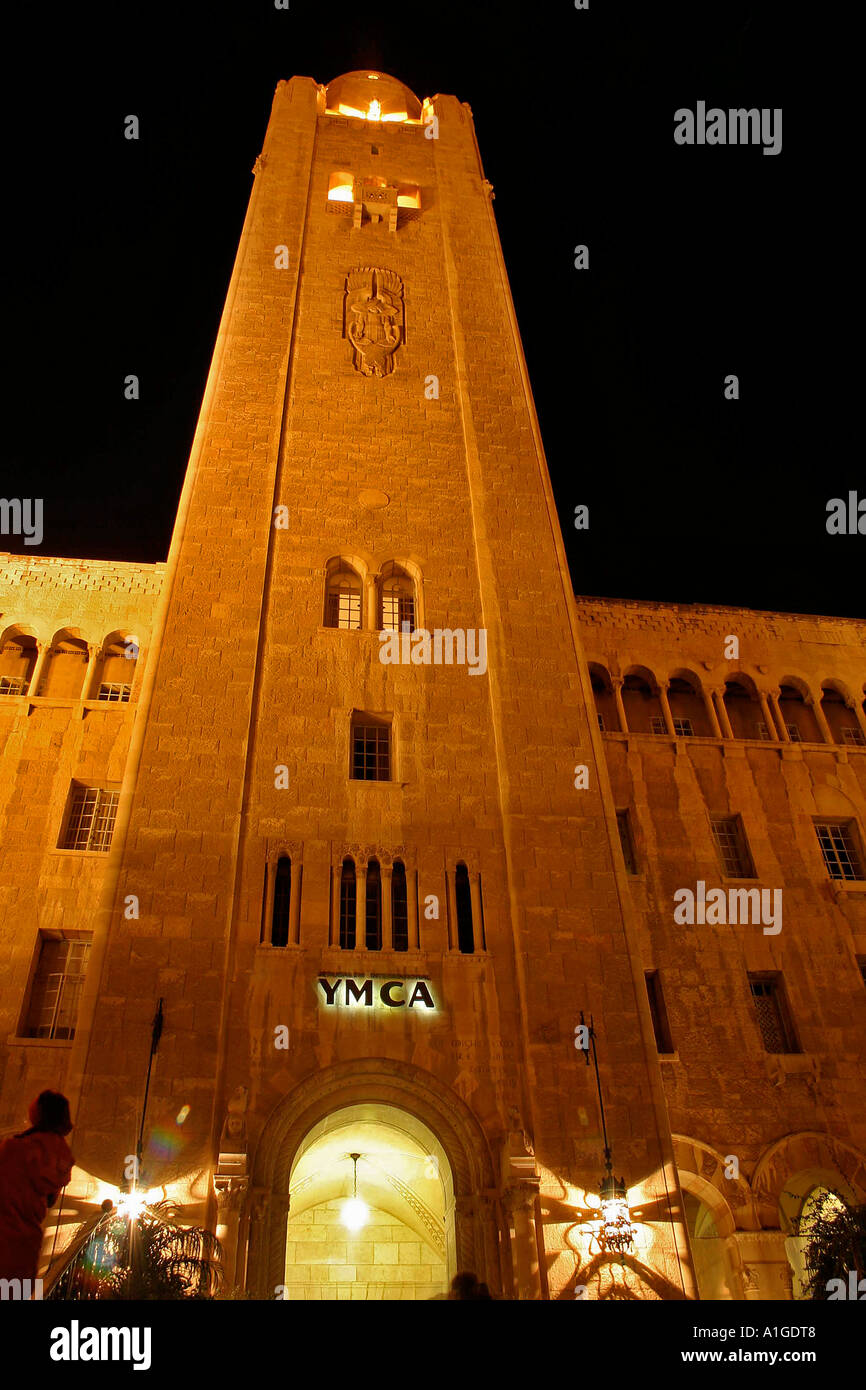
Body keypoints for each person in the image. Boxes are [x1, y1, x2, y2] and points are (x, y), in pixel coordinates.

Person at [0, 1091, 74, 1283]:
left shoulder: (14, 1149)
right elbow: (50, 1200)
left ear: (39, 1113)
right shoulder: (62, 1159)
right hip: (26, 1252)